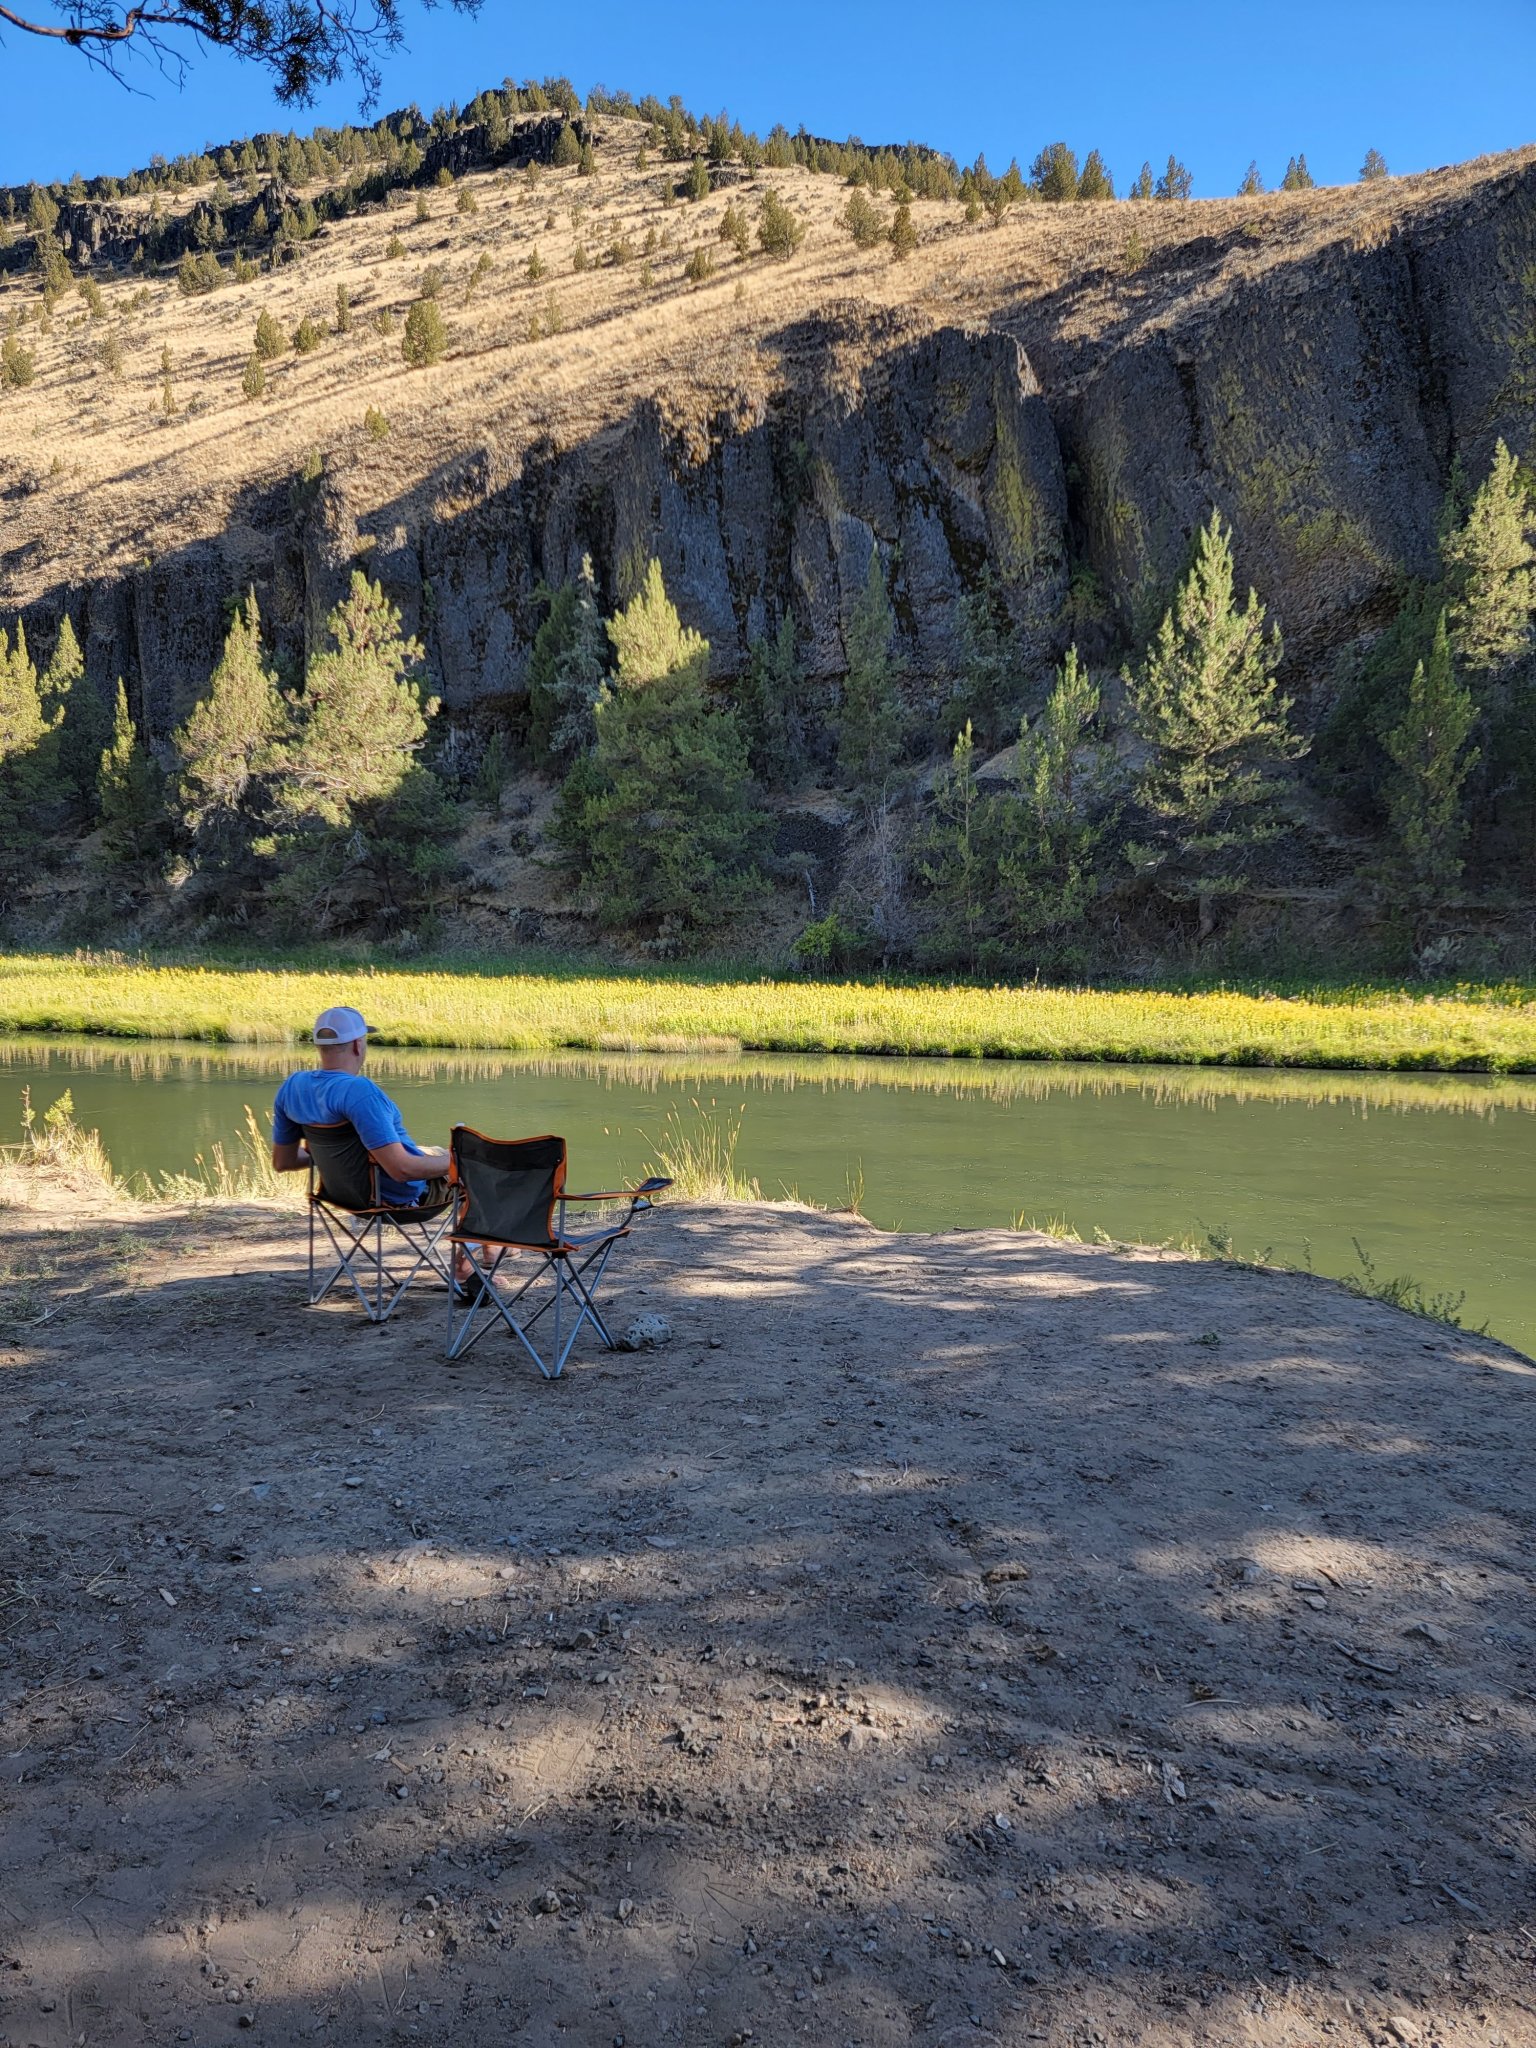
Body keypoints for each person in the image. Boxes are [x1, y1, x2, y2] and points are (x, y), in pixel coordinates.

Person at [271, 1005, 476, 1296]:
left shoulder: (293, 1086)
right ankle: (466, 1267)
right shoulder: (360, 1093)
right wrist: (459, 1160)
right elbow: (402, 1170)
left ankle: (485, 1255)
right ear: (358, 1044)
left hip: (341, 1194)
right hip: (396, 1199)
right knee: (476, 1166)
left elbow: (284, 1161)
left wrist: (335, 1158)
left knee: (434, 1151)